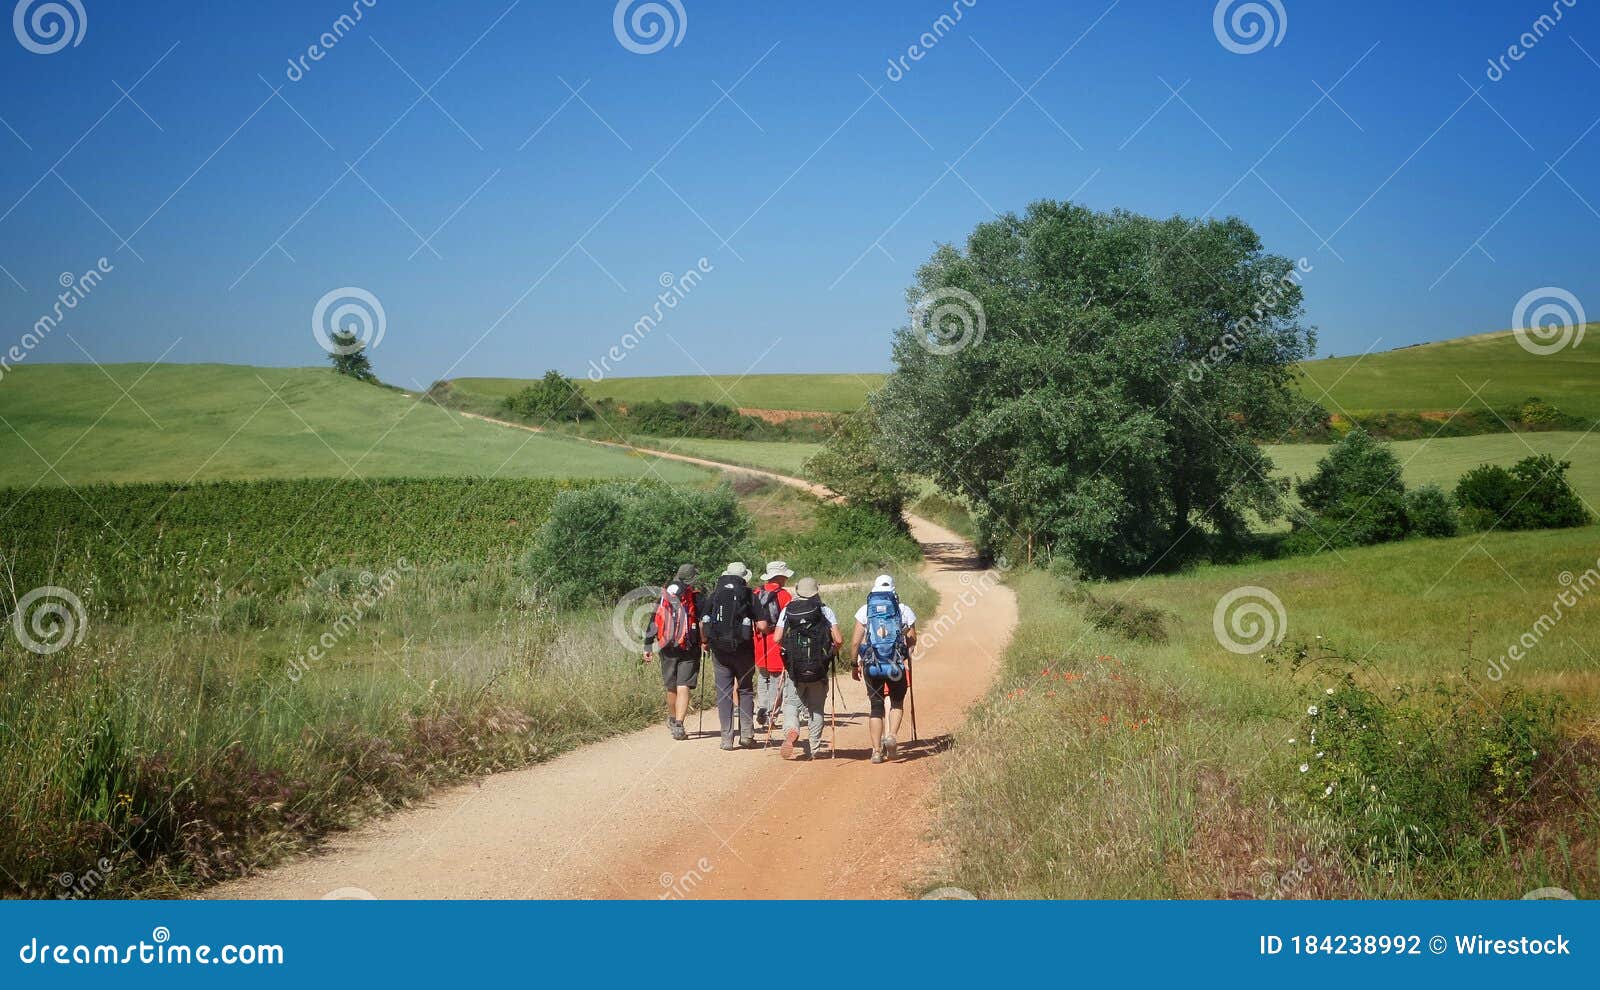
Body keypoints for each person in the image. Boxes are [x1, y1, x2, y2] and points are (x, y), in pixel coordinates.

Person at [850, 574, 917, 764]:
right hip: (895, 665)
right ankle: (892, 736)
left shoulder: (865, 610)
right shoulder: (903, 610)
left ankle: (876, 751)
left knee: (876, 708)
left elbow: (855, 642)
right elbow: (912, 640)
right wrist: (905, 653)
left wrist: (855, 664)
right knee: (896, 703)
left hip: (872, 665)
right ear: (894, 590)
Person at [774, 577, 842, 760]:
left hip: (795, 668)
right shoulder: (825, 610)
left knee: (791, 704)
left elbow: (776, 638)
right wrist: (831, 652)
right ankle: (815, 747)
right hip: (818, 667)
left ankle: (792, 730)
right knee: (816, 708)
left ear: (797, 591)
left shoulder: (788, 609)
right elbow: (838, 639)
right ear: (816, 591)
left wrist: (787, 651)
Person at [702, 562, 763, 750]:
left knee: (724, 692)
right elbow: (761, 625)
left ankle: (726, 739)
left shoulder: (715, 594)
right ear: (744, 578)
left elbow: (704, 621)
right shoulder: (749, 596)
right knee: (745, 690)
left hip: (719, 650)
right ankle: (746, 735)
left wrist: (705, 642)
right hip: (743, 650)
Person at [643, 564, 702, 741]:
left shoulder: (664, 596)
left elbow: (654, 620)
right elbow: (703, 620)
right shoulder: (694, 595)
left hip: (666, 646)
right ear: (691, 579)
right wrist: (706, 641)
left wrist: (647, 646)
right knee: (683, 684)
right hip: (689, 646)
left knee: (671, 685)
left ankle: (671, 718)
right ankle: (679, 724)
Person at [752, 561, 794, 734]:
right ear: (779, 576)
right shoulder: (784, 595)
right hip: (776, 640)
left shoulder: (756, 592)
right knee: (778, 680)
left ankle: (762, 707)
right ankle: (770, 714)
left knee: (763, 677)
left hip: (759, 640)